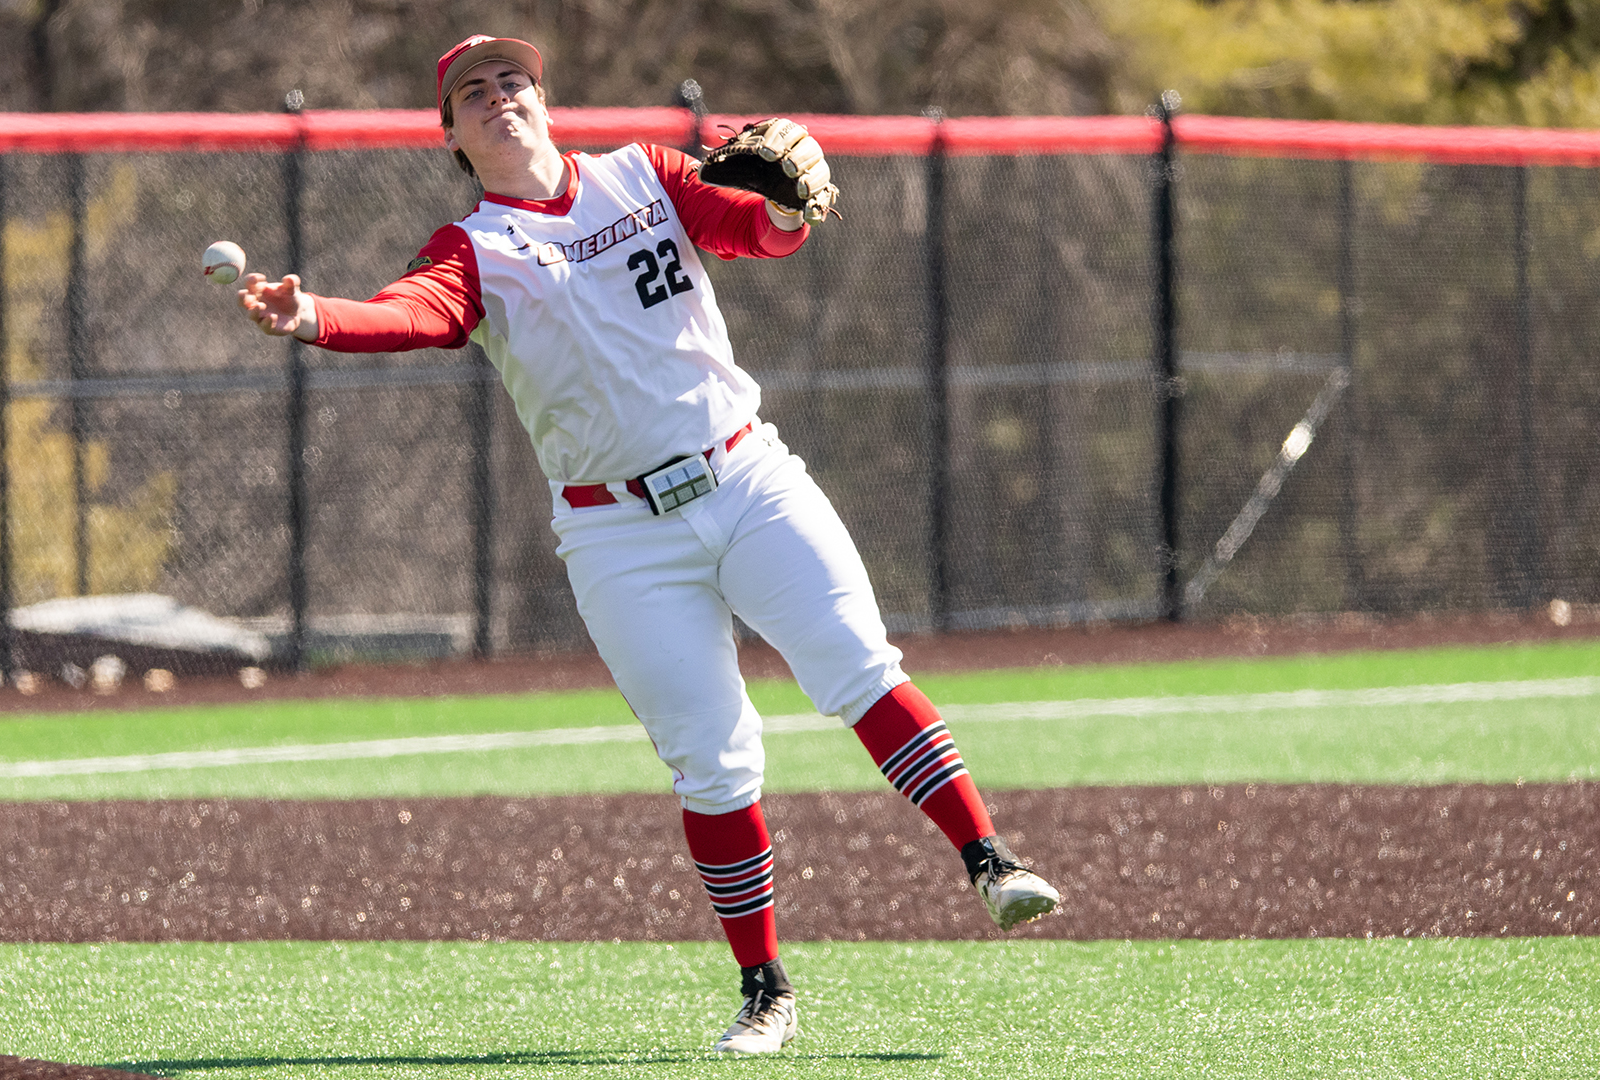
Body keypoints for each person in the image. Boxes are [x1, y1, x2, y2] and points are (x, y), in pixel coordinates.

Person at [238, 33, 1061, 1056]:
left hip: (747, 475)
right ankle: (766, 990)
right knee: (713, 764)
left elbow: (750, 229)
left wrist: (791, 210)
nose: (501, 97)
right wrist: (313, 314)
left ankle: (991, 860)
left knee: (857, 667)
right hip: (618, 531)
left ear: (547, 101)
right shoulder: (473, 248)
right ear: (448, 131)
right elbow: (410, 314)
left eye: (516, 81)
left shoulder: (642, 173)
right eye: (474, 91)